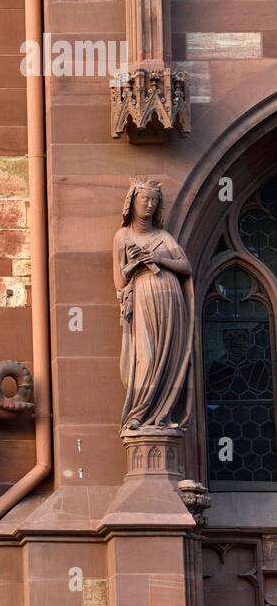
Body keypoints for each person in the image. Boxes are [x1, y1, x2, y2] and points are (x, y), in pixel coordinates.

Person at [113, 178, 193, 430]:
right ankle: (139, 413)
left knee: (167, 357)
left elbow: (185, 267)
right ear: (132, 201)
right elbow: (119, 280)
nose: (149, 205)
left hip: (170, 300)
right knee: (146, 357)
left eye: (155, 201)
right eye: (145, 199)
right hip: (142, 299)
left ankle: (162, 413)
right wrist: (135, 263)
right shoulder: (123, 236)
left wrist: (159, 258)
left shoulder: (163, 237)